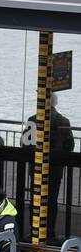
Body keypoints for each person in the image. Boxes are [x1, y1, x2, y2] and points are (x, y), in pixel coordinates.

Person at [48, 94, 74, 242]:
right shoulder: (64, 121)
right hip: (56, 168)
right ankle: (50, 232)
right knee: (52, 200)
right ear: (55, 102)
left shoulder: (33, 119)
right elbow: (69, 146)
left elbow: (25, 142)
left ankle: (35, 230)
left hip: (36, 167)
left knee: (35, 199)